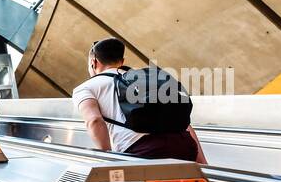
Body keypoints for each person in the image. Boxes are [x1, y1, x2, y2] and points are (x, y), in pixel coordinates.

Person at [72, 38, 205, 161]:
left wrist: (107, 158)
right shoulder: (146, 78)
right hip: (184, 145)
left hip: (141, 152)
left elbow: (94, 121)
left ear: (93, 62)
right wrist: (202, 162)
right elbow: (181, 120)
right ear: (122, 61)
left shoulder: (86, 88)